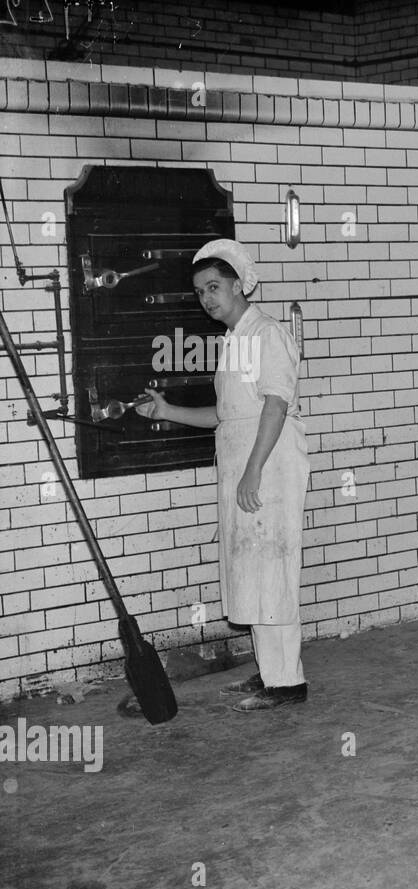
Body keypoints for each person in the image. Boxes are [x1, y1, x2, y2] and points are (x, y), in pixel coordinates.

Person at [138, 239, 310, 710]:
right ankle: (270, 673)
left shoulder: (266, 333)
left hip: (269, 466)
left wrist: (253, 470)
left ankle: (288, 684)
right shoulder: (235, 339)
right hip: (245, 463)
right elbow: (225, 414)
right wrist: (168, 409)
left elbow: (276, 405)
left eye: (214, 286)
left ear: (238, 284)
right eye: (199, 291)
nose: (207, 298)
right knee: (252, 570)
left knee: (273, 568)